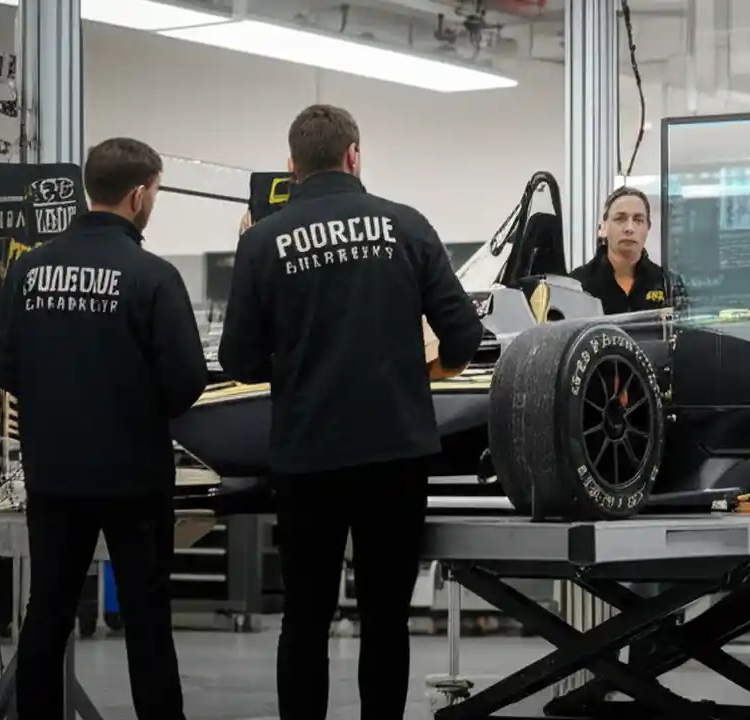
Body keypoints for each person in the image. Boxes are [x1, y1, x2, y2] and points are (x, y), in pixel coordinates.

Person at [217, 104, 483, 720]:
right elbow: (465, 339)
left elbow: (238, 360)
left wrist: (296, 368)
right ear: (354, 156)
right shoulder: (407, 226)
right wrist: (421, 372)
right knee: (385, 620)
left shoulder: (262, 241)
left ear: (292, 165)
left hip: (307, 455)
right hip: (395, 451)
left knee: (304, 619)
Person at [0, 138, 207, 720]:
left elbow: (3, 368)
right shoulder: (153, 277)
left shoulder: (28, 270)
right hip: (134, 477)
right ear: (139, 195)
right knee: (146, 618)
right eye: (155, 192)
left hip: (54, 475)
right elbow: (187, 381)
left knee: (49, 612)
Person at [569, 186, 677, 314]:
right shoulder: (577, 285)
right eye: (620, 219)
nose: (629, 228)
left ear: (648, 227)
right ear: (603, 228)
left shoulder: (667, 283)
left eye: (638, 220)